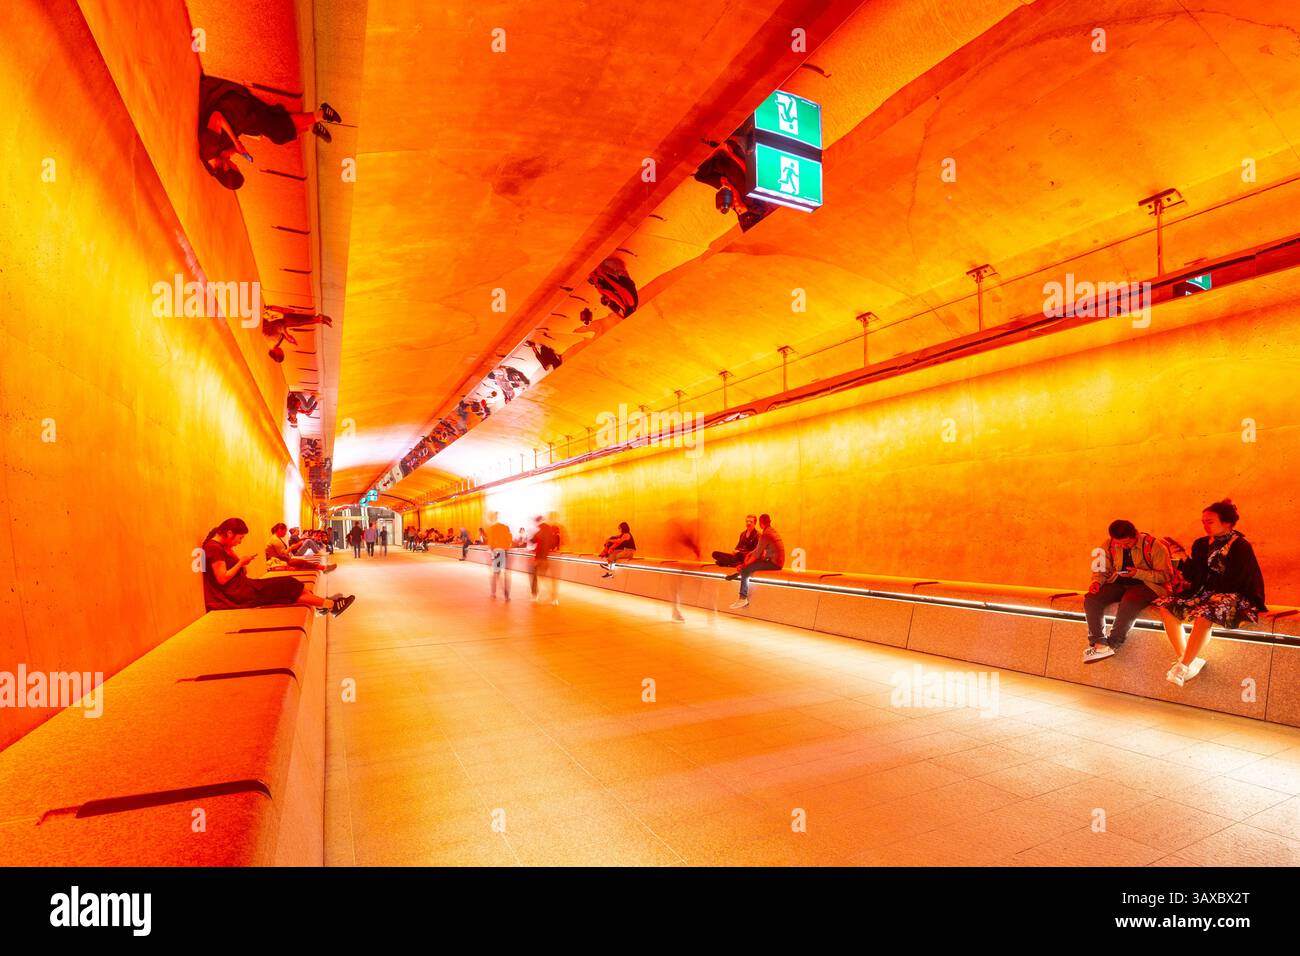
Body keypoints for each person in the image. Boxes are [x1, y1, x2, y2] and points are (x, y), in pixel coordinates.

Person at [1155, 499, 1267, 688]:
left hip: (1235, 593)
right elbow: (1194, 575)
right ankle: (1187, 660)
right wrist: (1182, 556)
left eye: (1210, 521)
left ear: (1227, 523)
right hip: (1206, 592)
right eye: (1203, 521)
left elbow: (1239, 579)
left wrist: (1209, 594)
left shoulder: (1241, 545)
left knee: (1205, 614)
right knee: (1166, 607)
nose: (1205, 525)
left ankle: (1183, 665)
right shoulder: (1201, 544)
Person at [198, 75, 342, 190]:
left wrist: (236, 143)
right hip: (239, 122)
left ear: (226, 168)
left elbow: (217, 117)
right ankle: (312, 125)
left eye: (235, 167)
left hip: (232, 107)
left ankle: (322, 114)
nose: (235, 164)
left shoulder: (209, 148)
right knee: (278, 136)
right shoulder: (216, 166)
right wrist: (236, 151)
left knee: (276, 129)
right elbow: (224, 148)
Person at [202, 518, 353, 616]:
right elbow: (222, 579)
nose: (240, 542)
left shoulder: (220, 547)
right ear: (229, 533)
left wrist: (234, 554)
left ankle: (324, 604)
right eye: (240, 538)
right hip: (237, 594)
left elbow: (239, 570)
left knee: (290, 583)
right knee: (287, 585)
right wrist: (241, 562)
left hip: (241, 588)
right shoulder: (214, 548)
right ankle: (331, 606)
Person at [1082, 519, 1172, 663]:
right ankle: (1099, 643)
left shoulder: (1155, 546)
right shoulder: (1109, 544)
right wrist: (1096, 582)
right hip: (1118, 583)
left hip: (1149, 586)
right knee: (1092, 599)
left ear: (1136, 534)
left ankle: (1112, 644)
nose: (1123, 547)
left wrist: (1137, 573)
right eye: (1119, 544)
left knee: (1130, 600)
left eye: (1128, 544)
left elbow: (1165, 576)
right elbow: (1101, 568)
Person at [728, 514, 783, 609]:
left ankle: (743, 598)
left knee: (745, 570)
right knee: (747, 566)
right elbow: (758, 549)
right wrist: (749, 554)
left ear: (760, 523)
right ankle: (739, 572)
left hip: (774, 563)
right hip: (775, 561)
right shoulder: (770, 531)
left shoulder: (765, 534)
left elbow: (757, 554)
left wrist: (745, 565)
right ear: (770, 521)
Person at [266, 522, 336, 572]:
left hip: (282, 560)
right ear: (279, 530)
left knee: (302, 563)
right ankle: (323, 567)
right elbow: (282, 554)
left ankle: (323, 567)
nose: (285, 533)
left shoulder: (276, 538)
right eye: (284, 531)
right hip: (279, 562)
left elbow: (282, 554)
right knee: (302, 562)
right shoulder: (275, 540)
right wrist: (292, 548)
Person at [531, 516, 561, 604]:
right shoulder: (550, 530)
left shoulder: (540, 530)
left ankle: (537, 596)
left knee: (539, 578)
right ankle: (554, 598)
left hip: (540, 558)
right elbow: (552, 543)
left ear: (538, 521)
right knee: (544, 578)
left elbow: (533, 540)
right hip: (547, 557)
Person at [485, 513, 514, 600]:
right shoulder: (504, 527)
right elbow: (509, 539)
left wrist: (491, 552)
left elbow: (490, 543)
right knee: (505, 573)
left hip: (497, 551)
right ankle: (506, 593)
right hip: (505, 551)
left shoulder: (492, 528)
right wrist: (507, 548)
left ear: (492, 518)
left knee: (496, 573)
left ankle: (495, 593)